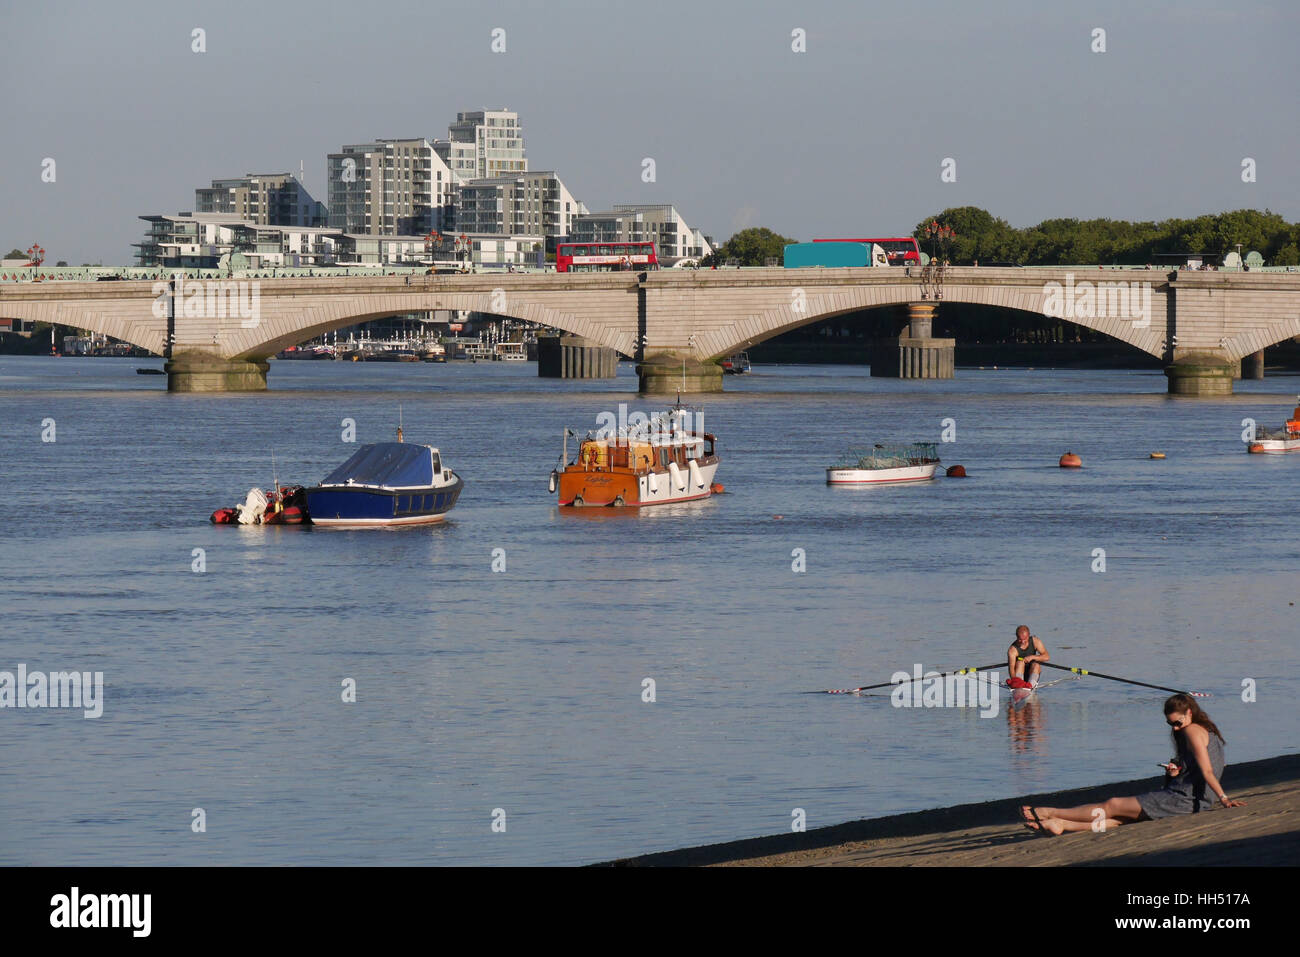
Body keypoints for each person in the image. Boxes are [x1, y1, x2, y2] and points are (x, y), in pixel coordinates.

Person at [1020, 694, 1245, 835]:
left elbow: (1207, 770)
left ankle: (1051, 812)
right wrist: (1176, 772)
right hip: (1196, 799)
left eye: (1177, 722)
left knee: (1113, 804)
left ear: (1189, 712)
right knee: (1120, 819)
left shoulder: (1192, 730)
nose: (1175, 728)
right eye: (1170, 724)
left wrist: (1225, 799)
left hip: (1183, 799)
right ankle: (1061, 824)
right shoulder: (1209, 731)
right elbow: (1201, 769)